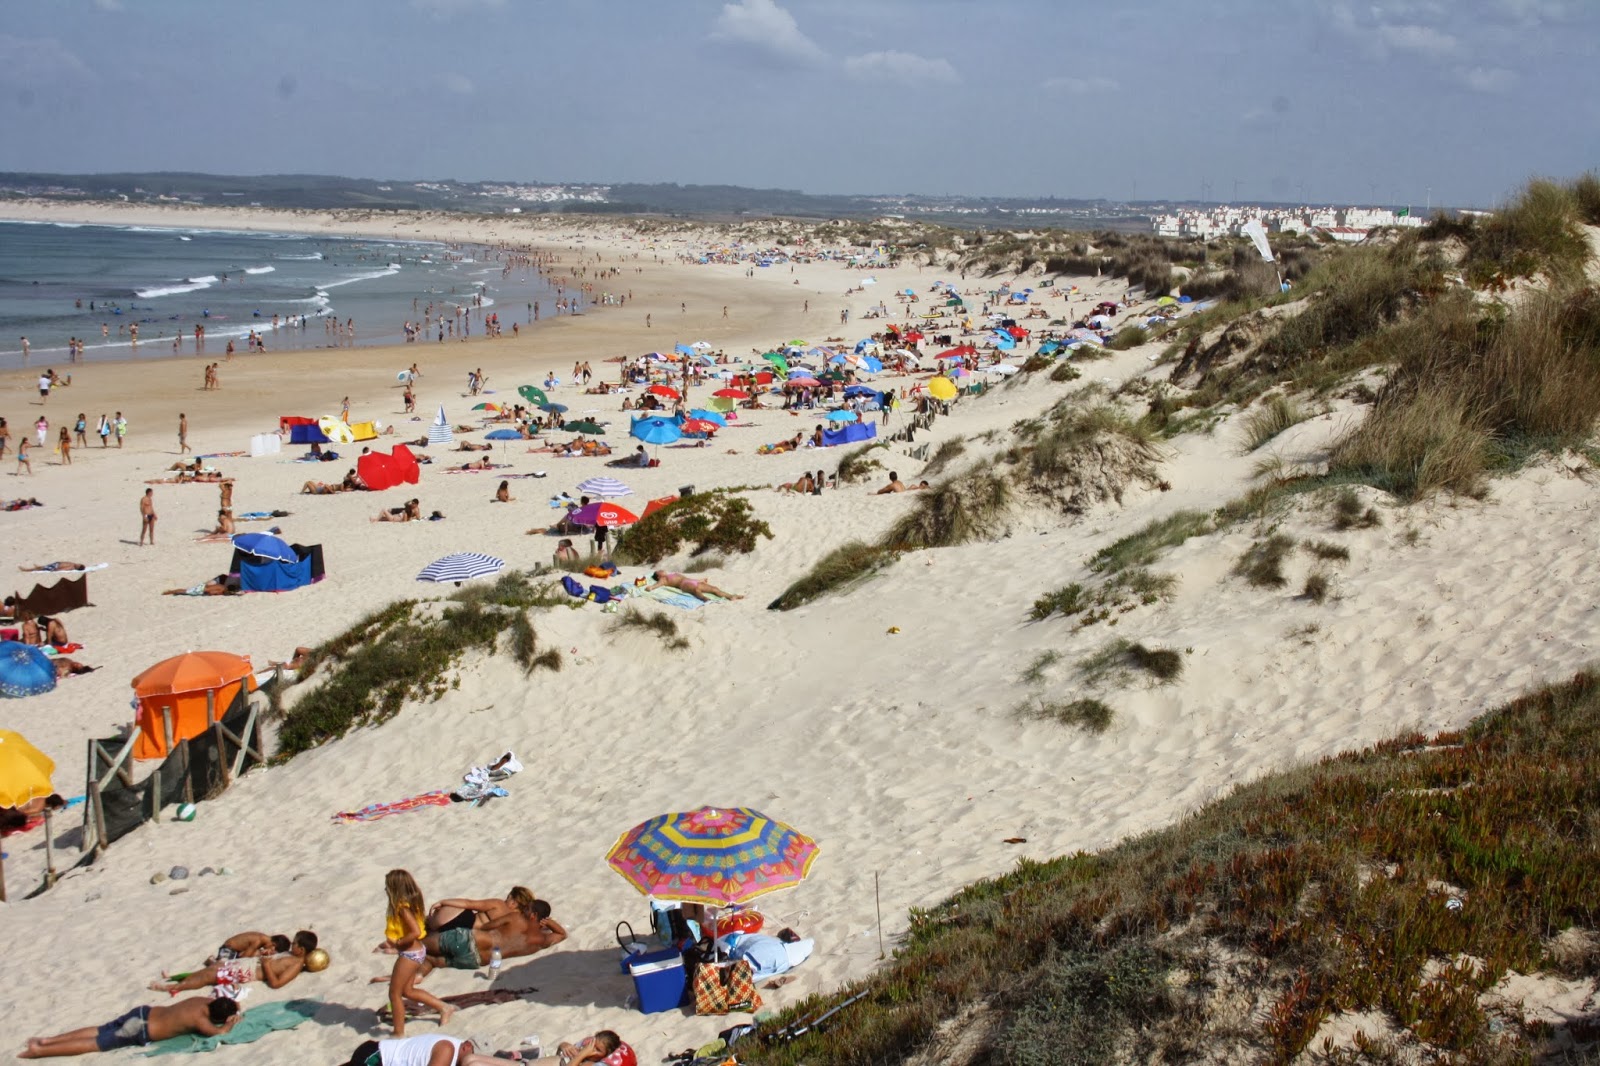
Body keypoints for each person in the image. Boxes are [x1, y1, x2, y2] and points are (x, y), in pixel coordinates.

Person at [20, 996, 239, 1058]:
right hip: (141, 1029)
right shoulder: (200, 1021)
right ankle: (40, 1050)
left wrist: (231, 1005)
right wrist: (229, 1023)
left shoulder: (200, 1000)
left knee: (99, 1029)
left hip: (143, 1012)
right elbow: (219, 1033)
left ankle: (49, 1039)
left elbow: (223, 1001)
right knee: (95, 1044)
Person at [379, 869, 453, 1036]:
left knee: (394, 994)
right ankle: (444, 1007)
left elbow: (414, 931)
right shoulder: (409, 903)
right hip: (416, 951)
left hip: (410, 954)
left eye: (387, 887)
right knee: (408, 991)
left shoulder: (403, 908)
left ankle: (398, 1033)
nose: (385, 890)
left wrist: (399, 943)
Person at [417, 898, 566, 978]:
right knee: (433, 960)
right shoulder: (540, 942)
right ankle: (419, 975)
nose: (522, 911)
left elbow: (486, 927)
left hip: (472, 940)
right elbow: (562, 935)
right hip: (479, 959)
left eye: (526, 909)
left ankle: (399, 947)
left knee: (420, 943)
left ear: (533, 915)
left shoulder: (516, 918)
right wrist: (550, 923)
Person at [147, 931, 317, 993]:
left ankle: (174, 987)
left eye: (294, 943)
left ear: (301, 950)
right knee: (213, 969)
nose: (292, 945)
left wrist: (266, 965)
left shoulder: (295, 965)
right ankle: (175, 980)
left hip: (248, 972)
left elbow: (276, 984)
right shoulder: (291, 955)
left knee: (210, 975)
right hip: (247, 964)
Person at [645, 570, 743, 602]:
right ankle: (705, 599)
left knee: (714, 589)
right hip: (683, 585)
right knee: (696, 590)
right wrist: (651, 587)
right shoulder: (663, 579)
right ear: (658, 576)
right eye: (660, 571)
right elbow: (656, 585)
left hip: (690, 581)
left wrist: (700, 580)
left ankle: (731, 596)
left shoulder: (671, 574)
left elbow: (687, 577)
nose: (662, 570)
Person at [206, 931, 293, 965]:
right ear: (273, 945)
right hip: (228, 949)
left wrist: (261, 953)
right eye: (273, 950)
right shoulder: (259, 940)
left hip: (235, 951)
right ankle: (211, 961)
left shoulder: (263, 938)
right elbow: (245, 957)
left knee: (257, 953)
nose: (271, 951)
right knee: (221, 966)